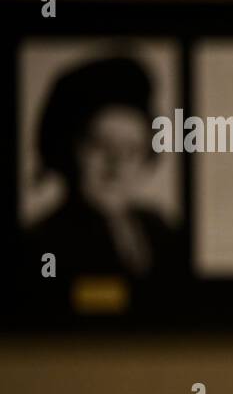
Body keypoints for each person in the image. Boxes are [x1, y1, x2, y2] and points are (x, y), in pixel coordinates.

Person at [25, 56, 184, 280]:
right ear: (70, 148)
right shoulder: (40, 243)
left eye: (131, 150)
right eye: (101, 144)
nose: (116, 166)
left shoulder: (160, 230)